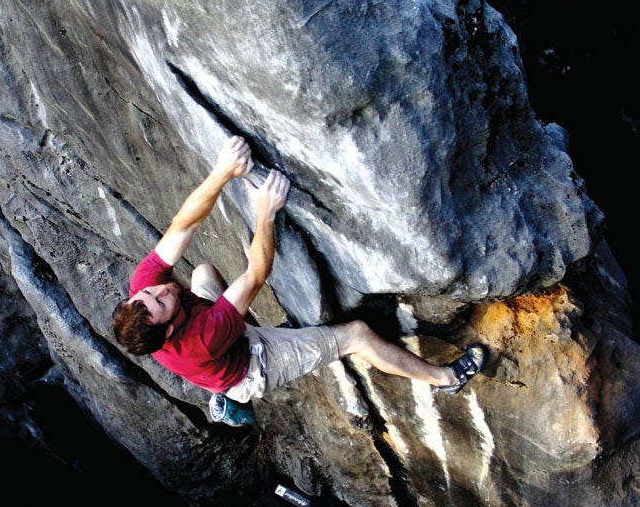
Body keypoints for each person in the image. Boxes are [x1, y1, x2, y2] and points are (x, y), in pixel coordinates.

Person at [111, 135, 486, 426]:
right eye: (162, 301)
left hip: (220, 342)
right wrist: (266, 214)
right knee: (356, 334)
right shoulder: (199, 340)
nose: (161, 288)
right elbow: (256, 275)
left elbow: (183, 225)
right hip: (248, 368)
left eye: (149, 292)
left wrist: (221, 172)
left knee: (202, 273)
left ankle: (258, 337)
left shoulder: (142, 296)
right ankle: (444, 378)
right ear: (171, 329)